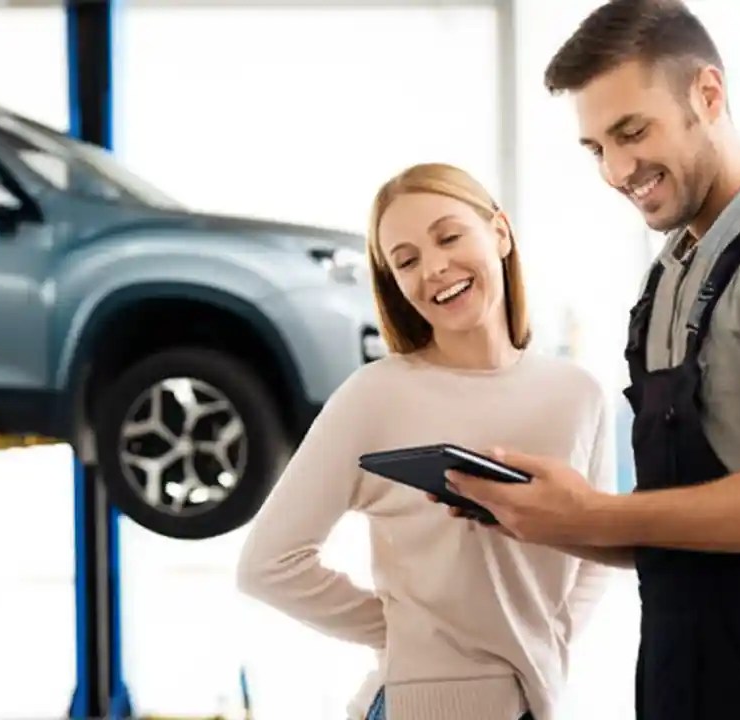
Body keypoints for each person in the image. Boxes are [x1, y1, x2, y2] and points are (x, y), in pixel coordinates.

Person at [441, 2, 740, 719]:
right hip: (682, 668)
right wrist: (556, 520)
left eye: (632, 131)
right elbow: (685, 533)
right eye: (596, 148)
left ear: (708, 95)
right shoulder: (671, 272)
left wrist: (599, 511)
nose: (619, 169)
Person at [235, 162, 618, 720]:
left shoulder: (578, 394)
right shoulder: (376, 395)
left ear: (500, 233)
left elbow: (599, 548)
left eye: (449, 236)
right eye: (407, 260)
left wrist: (542, 641)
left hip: (541, 701)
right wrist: (407, 634)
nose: (435, 268)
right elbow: (268, 565)